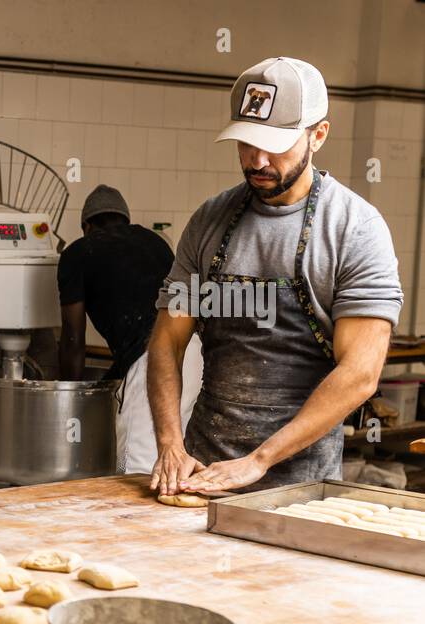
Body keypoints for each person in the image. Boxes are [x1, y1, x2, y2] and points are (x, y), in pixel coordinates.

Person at [147, 57, 402, 496]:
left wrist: (259, 461)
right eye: (246, 142)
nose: (257, 160)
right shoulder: (210, 219)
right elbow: (167, 342)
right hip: (201, 468)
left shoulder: (354, 228)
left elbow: (361, 372)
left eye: (275, 144)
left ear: (318, 135)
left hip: (300, 482)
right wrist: (171, 445)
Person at [56, 184, 202, 473]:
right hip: (196, 354)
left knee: (136, 469)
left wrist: (68, 398)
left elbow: (73, 337)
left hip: (153, 361)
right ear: (126, 219)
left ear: (86, 225)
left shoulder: (77, 253)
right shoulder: (155, 241)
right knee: (180, 460)